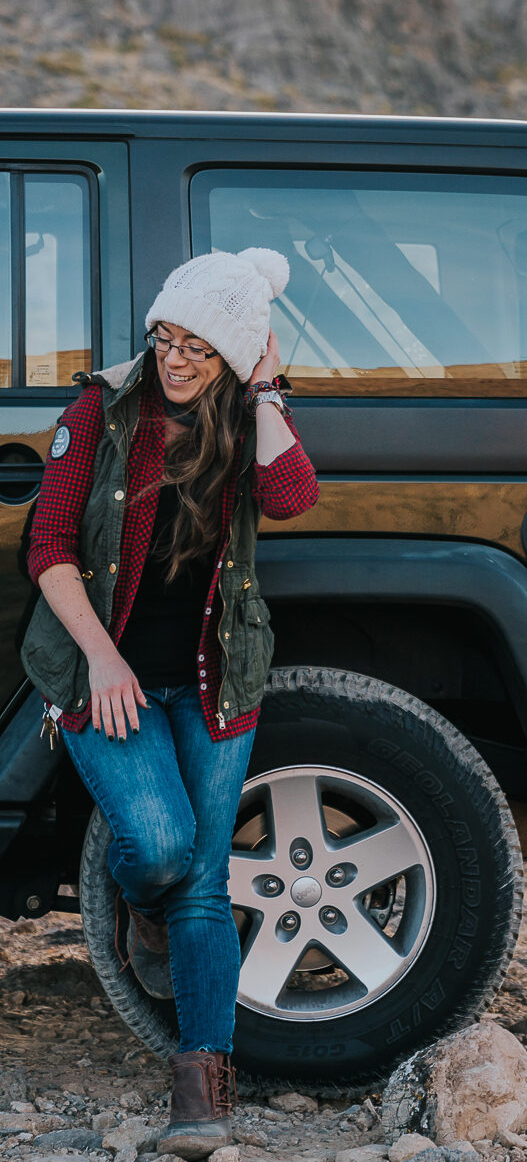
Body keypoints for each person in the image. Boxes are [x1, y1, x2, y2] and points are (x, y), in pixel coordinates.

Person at [21, 248, 319, 1160]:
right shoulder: (103, 409)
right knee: (156, 850)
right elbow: (48, 544)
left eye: (198, 345)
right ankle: (132, 904)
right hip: (101, 671)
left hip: (210, 676)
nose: (176, 360)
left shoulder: (240, 414)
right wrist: (104, 663)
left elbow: (293, 496)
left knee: (200, 878)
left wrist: (267, 391)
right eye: (165, 339)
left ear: (231, 353)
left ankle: (202, 1090)